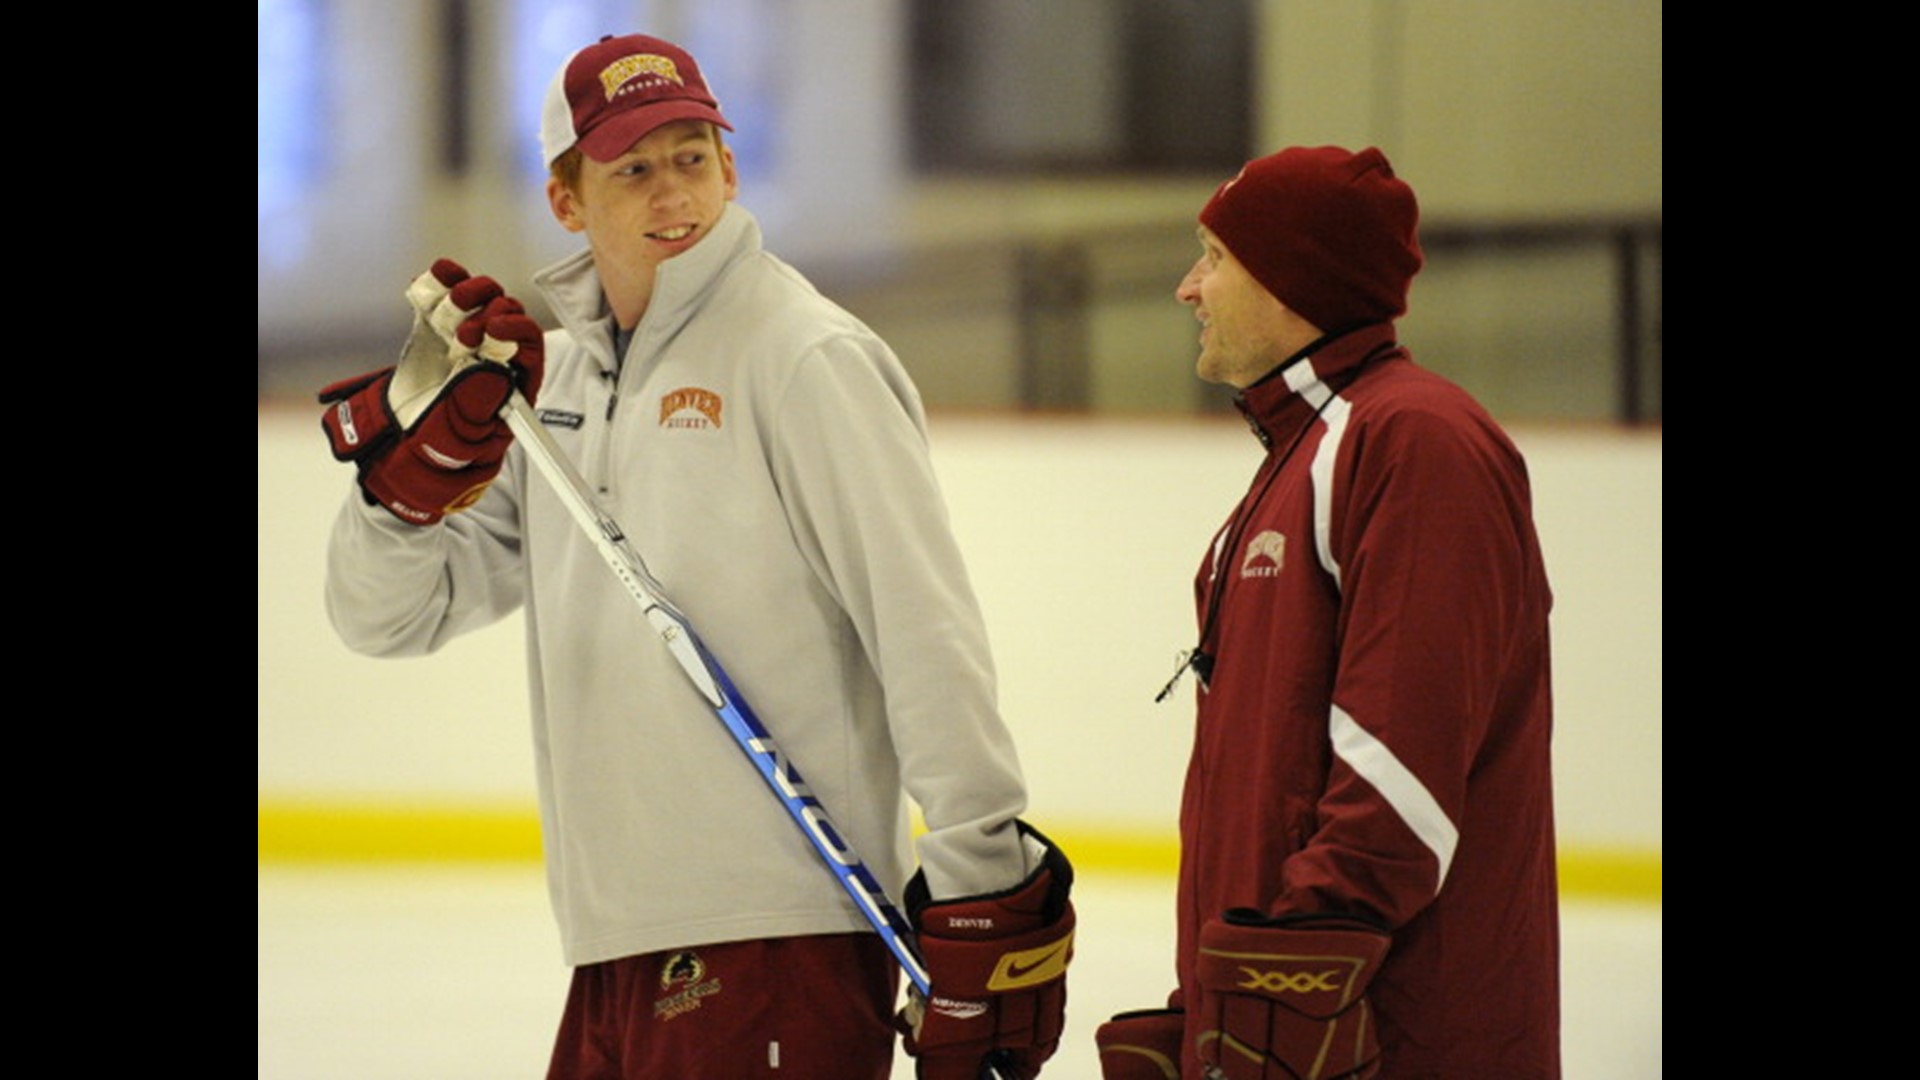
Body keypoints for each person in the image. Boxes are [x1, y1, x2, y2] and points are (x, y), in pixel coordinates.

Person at [317, 32, 1074, 1080]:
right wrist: (404, 487)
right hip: (613, 946)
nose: (673, 190)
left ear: (727, 165)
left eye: (693, 155)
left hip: (779, 936)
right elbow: (385, 618)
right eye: (632, 167)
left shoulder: (805, 356)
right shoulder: (561, 385)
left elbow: (924, 630)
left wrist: (980, 875)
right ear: (569, 201)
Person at [1094, 146, 1559, 1079]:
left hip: (1402, 1033)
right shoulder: (1306, 450)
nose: (1190, 287)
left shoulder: (1414, 441)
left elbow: (1405, 763)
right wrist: (1211, 1002)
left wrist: (1285, 979)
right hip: (1303, 1020)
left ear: (1289, 279)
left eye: (1215, 257)